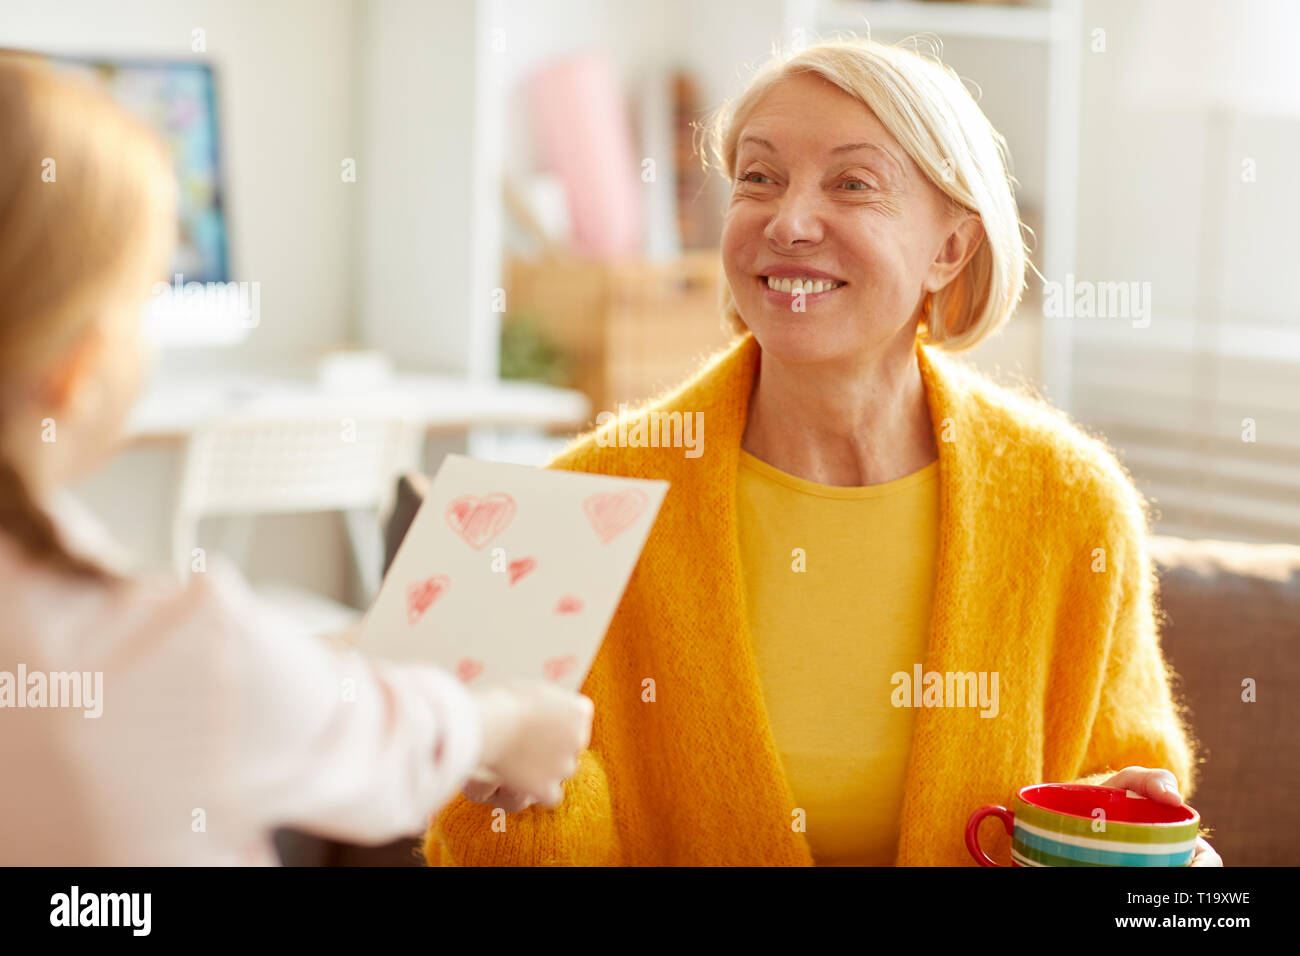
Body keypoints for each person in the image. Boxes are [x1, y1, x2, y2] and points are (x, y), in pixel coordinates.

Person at [424, 36, 1222, 866]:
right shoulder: (586, 502)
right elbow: (479, 834)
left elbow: (1125, 810)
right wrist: (513, 797)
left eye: (852, 184)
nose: (789, 221)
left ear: (950, 249)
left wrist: (1153, 857)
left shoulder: (1071, 503)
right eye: (759, 179)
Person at [0, 54, 592, 865]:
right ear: (81, 366)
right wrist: (512, 723)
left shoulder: (180, 651)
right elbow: (366, 740)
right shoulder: (176, 656)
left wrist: (321, 656)